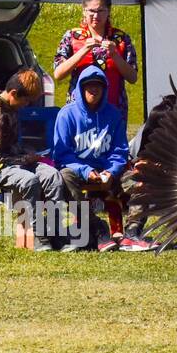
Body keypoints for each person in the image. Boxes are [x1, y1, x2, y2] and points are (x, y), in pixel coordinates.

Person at [0, 70, 69, 250]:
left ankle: (56, 232)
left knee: (52, 175)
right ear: (14, 93)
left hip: (14, 160)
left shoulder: (11, 106)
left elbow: (12, 146)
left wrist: (30, 154)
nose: (26, 105)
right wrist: (27, 158)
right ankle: (38, 234)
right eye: (25, 101)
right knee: (29, 181)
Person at [51, 67, 131, 253]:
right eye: (88, 87)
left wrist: (111, 171)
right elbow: (62, 154)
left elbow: (120, 150)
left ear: (105, 89)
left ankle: (133, 232)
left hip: (107, 170)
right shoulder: (67, 114)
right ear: (80, 88)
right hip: (79, 170)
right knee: (65, 176)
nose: (93, 90)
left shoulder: (113, 114)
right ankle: (97, 227)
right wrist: (85, 170)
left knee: (137, 178)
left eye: (98, 87)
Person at [52, 0, 138, 116]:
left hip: (113, 109)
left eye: (100, 11)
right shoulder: (72, 37)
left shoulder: (121, 38)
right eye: (91, 11)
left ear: (108, 11)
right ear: (84, 11)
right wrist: (83, 50)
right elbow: (58, 74)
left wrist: (115, 55)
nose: (96, 16)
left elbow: (132, 77)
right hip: (79, 110)